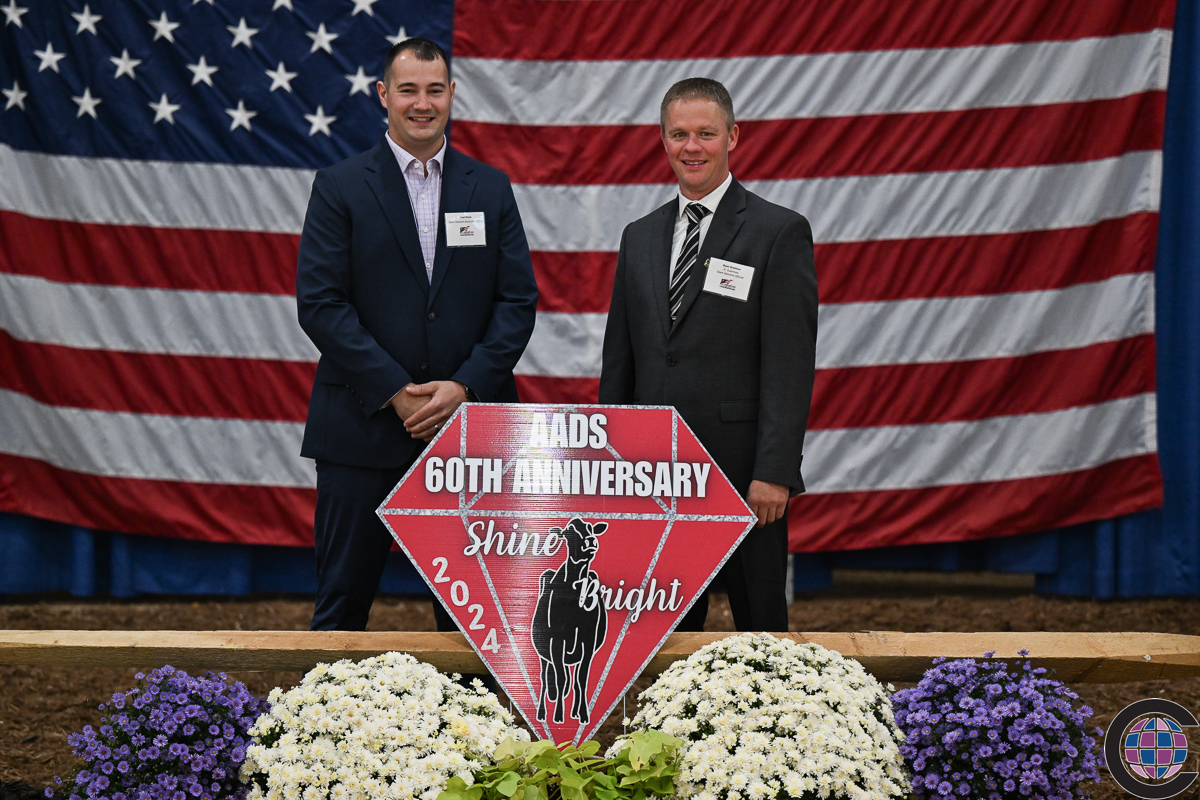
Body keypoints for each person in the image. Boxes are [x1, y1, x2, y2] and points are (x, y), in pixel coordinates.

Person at [296, 38, 538, 632]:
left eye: (435, 90)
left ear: (453, 95)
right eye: (408, 90)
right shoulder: (340, 185)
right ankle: (324, 727)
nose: (422, 104)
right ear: (384, 96)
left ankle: (475, 728)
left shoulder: (491, 188)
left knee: (473, 620)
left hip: (468, 432)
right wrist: (396, 390)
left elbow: (517, 302)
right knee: (341, 611)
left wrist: (466, 386)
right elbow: (321, 305)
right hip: (361, 427)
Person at [599, 77, 817, 633]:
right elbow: (619, 364)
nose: (691, 147)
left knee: (761, 630)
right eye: (679, 134)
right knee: (660, 631)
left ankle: (773, 721)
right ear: (663, 140)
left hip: (745, 474)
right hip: (655, 475)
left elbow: (789, 366)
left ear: (733, 137)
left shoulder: (778, 232)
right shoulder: (639, 236)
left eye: (705, 133)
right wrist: (612, 464)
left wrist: (775, 470)